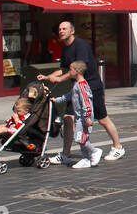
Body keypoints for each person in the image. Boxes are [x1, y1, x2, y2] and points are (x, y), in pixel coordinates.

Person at [38, 19, 125, 162]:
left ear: (72, 31)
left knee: (102, 118)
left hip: (91, 85)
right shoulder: (65, 47)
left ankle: (118, 147)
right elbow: (64, 68)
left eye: (64, 29)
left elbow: (78, 69)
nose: (61, 31)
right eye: (60, 29)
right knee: (68, 118)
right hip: (76, 88)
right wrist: (48, 77)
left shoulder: (80, 45)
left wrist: (59, 79)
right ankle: (65, 154)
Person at [51, 61, 101, 169]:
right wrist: (57, 100)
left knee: (79, 138)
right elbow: (69, 95)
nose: (69, 72)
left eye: (71, 70)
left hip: (83, 117)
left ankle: (94, 151)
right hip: (79, 116)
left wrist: (87, 117)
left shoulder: (82, 86)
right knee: (82, 138)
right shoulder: (76, 84)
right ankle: (85, 159)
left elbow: (87, 102)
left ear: (77, 71)